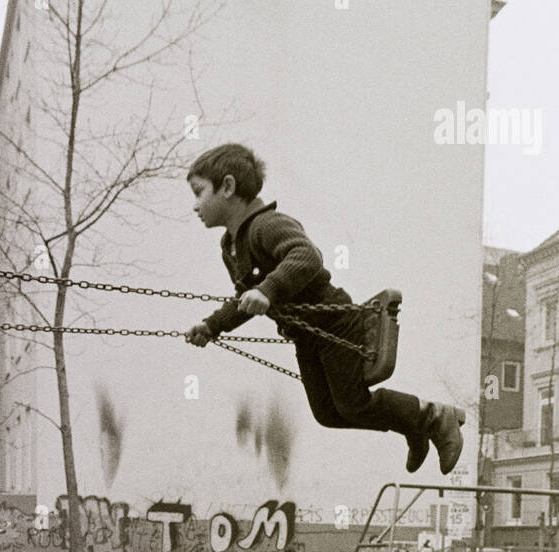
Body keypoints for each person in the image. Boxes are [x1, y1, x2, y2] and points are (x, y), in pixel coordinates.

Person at [184, 143, 464, 475]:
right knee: (328, 414)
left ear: (227, 187)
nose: (195, 205)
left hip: (334, 322)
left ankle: (433, 416)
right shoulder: (231, 247)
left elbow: (305, 256)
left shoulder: (267, 224)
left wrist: (267, 290)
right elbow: (246, 298)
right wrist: (212, 325)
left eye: (199, 192)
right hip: (307, 336)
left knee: (352, 403)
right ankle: (413, 426)